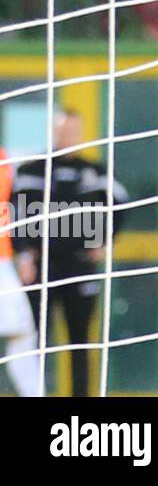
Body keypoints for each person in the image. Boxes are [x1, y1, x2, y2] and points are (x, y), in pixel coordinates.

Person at [11, 110, 130, 397]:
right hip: (42, 268)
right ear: (53, 131)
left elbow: (120, 205)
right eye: (64, 130)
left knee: (80, 342)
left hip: (80, 267)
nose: (69, 137)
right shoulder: (32, 171)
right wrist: (23, 254)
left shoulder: (96, 172)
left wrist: (105, 241)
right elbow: (13, 211)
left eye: (74, 131)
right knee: (36, 340)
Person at [0, 150, 40, 396]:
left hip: (2, 262)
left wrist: (23, 254)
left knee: (22, 332)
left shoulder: (4, 159)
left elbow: (13, 208)